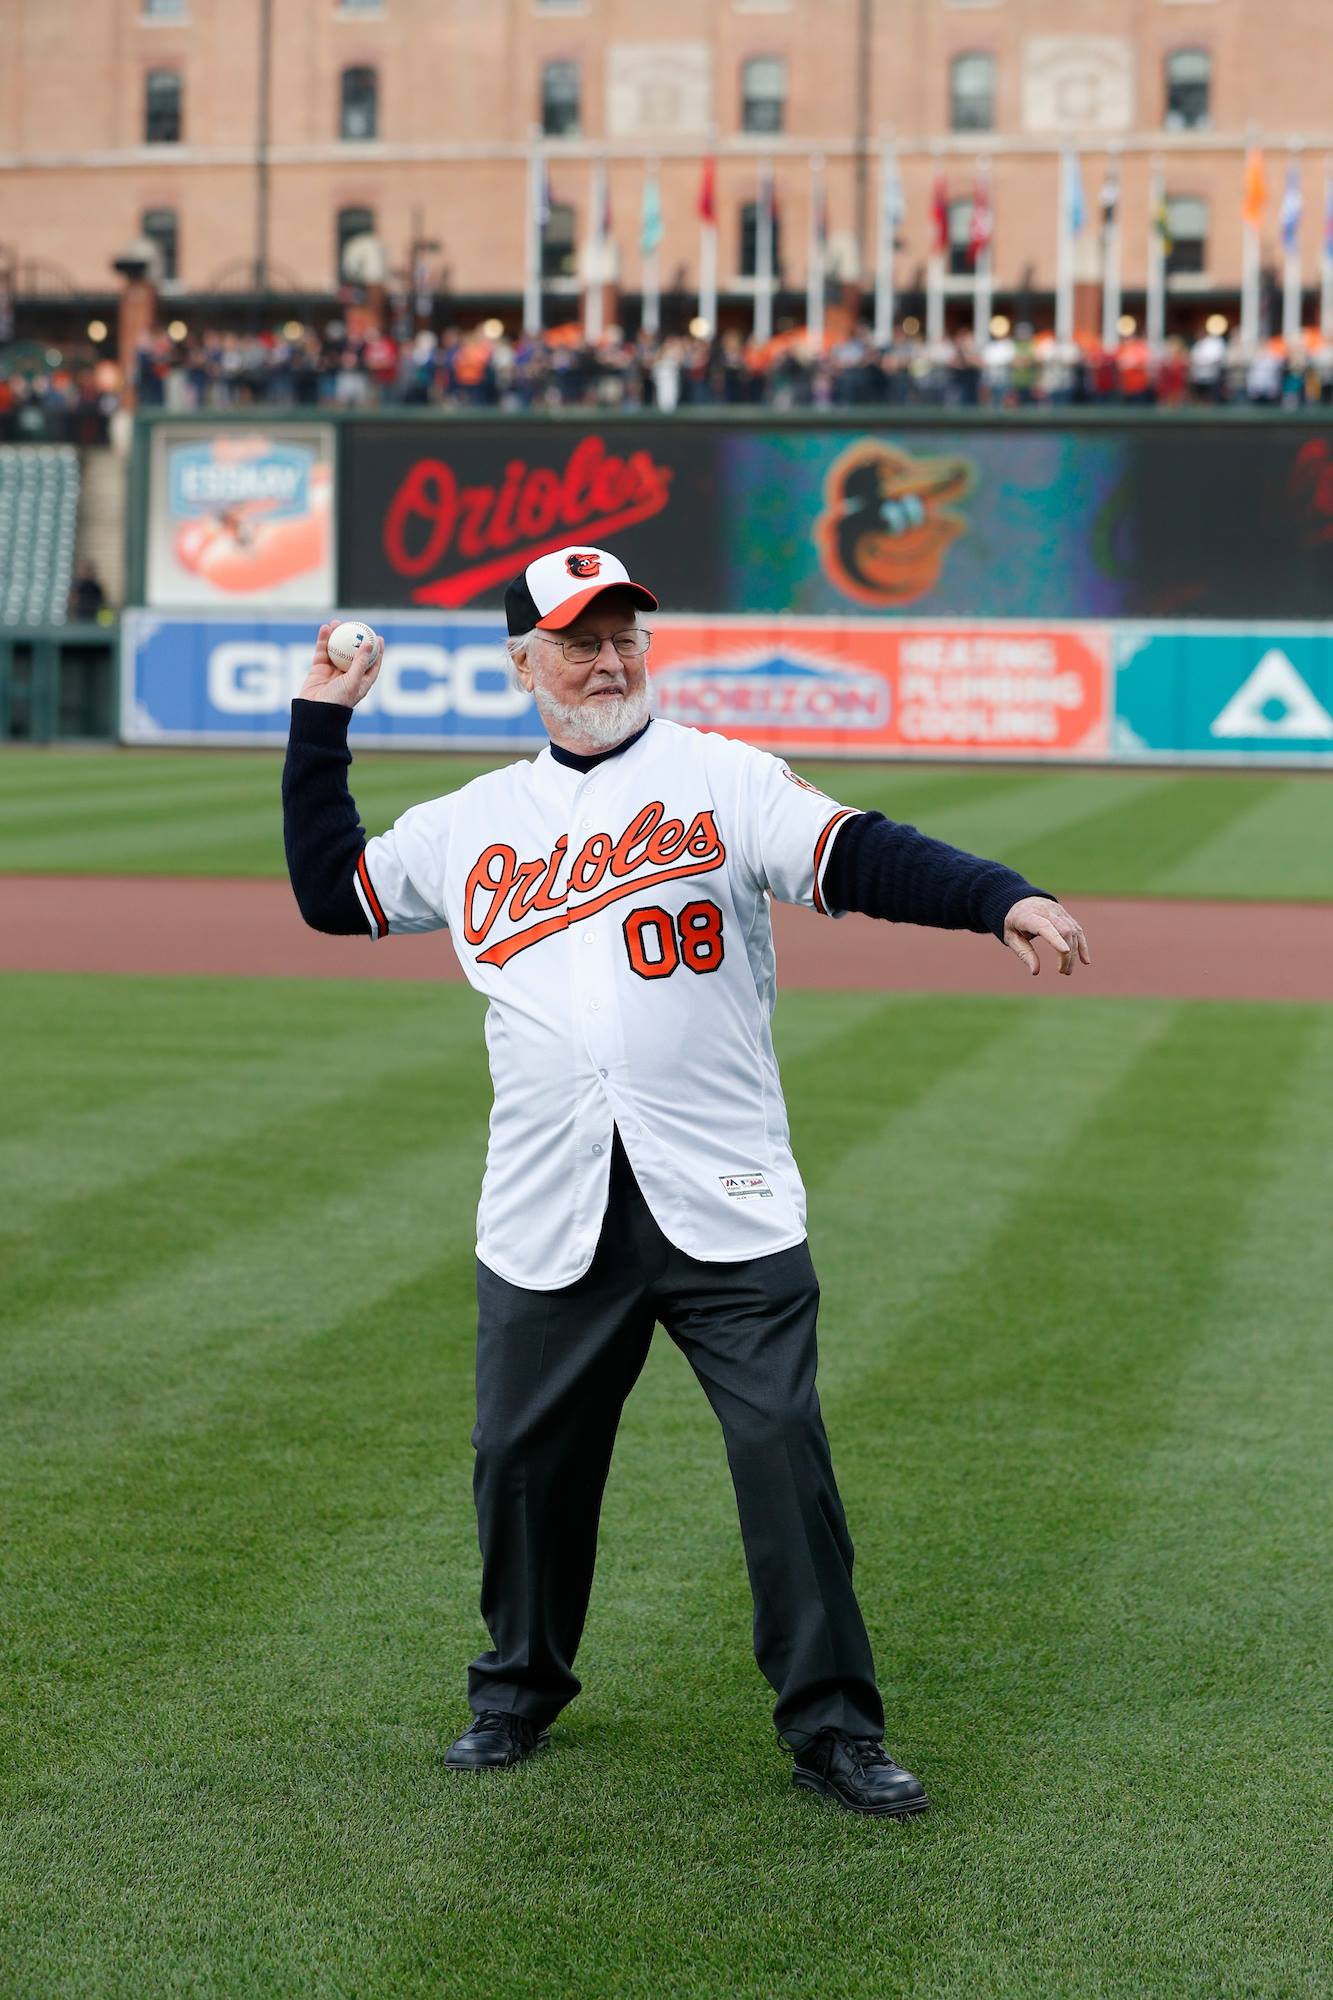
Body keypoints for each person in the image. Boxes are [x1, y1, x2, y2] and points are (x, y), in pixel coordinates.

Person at [282, 546, 1090, 1818]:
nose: (607, 660)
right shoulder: (473, 818)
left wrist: (1000, 897)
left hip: (723, 1194)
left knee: (780, 1449)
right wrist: (321, 720)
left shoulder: (721, 776)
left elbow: (859, 851)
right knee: (521, 1463)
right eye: (576, 639)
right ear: (522, 662)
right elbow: (336, 894)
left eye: (624, 635)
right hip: (549, 1206)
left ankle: (831, 1724)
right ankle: (516, 1691)